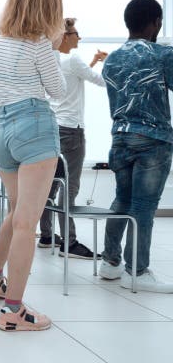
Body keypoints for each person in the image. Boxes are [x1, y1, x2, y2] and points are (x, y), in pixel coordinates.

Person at [0, 0, 66, 331]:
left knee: (17, 213)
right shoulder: (41, 46)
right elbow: (58, 90)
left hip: (3, 130)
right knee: (27, 222)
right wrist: (56, 44)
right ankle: (14, 312)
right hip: (35, 126)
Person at [98, 0, 173, 293]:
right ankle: (138, 270)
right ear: (156, 22)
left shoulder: (112, 59)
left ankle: (110, 262)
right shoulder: (161, 55)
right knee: (143, 206)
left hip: (120, 137)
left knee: (122, 200)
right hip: (152, 139)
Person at [40, 18, 107, 258]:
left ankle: (47, 235)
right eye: (76, 33)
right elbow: (100, 81)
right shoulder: (74, 60)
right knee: (70, 187)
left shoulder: (55, 60)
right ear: (65, 36)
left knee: (50, 185)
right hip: (72, 130)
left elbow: (75, 78)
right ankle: (69, 241)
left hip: (55, 127)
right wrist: (109, 63)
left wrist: (93, 62)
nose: (79, 37)